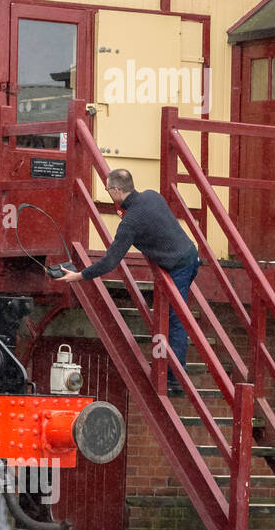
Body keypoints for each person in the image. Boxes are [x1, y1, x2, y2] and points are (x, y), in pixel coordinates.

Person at [54, 168, 199, 396]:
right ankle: (173, 371)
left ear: (117, 190)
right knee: (174, 318)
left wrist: (79, 276)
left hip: (178, 266)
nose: (108, 194)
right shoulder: (152, 195)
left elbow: (111, 261)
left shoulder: (130, 222)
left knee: (175, 320)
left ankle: (175, 377)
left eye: (108, 190)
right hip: (191, 255)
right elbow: (160, 226)